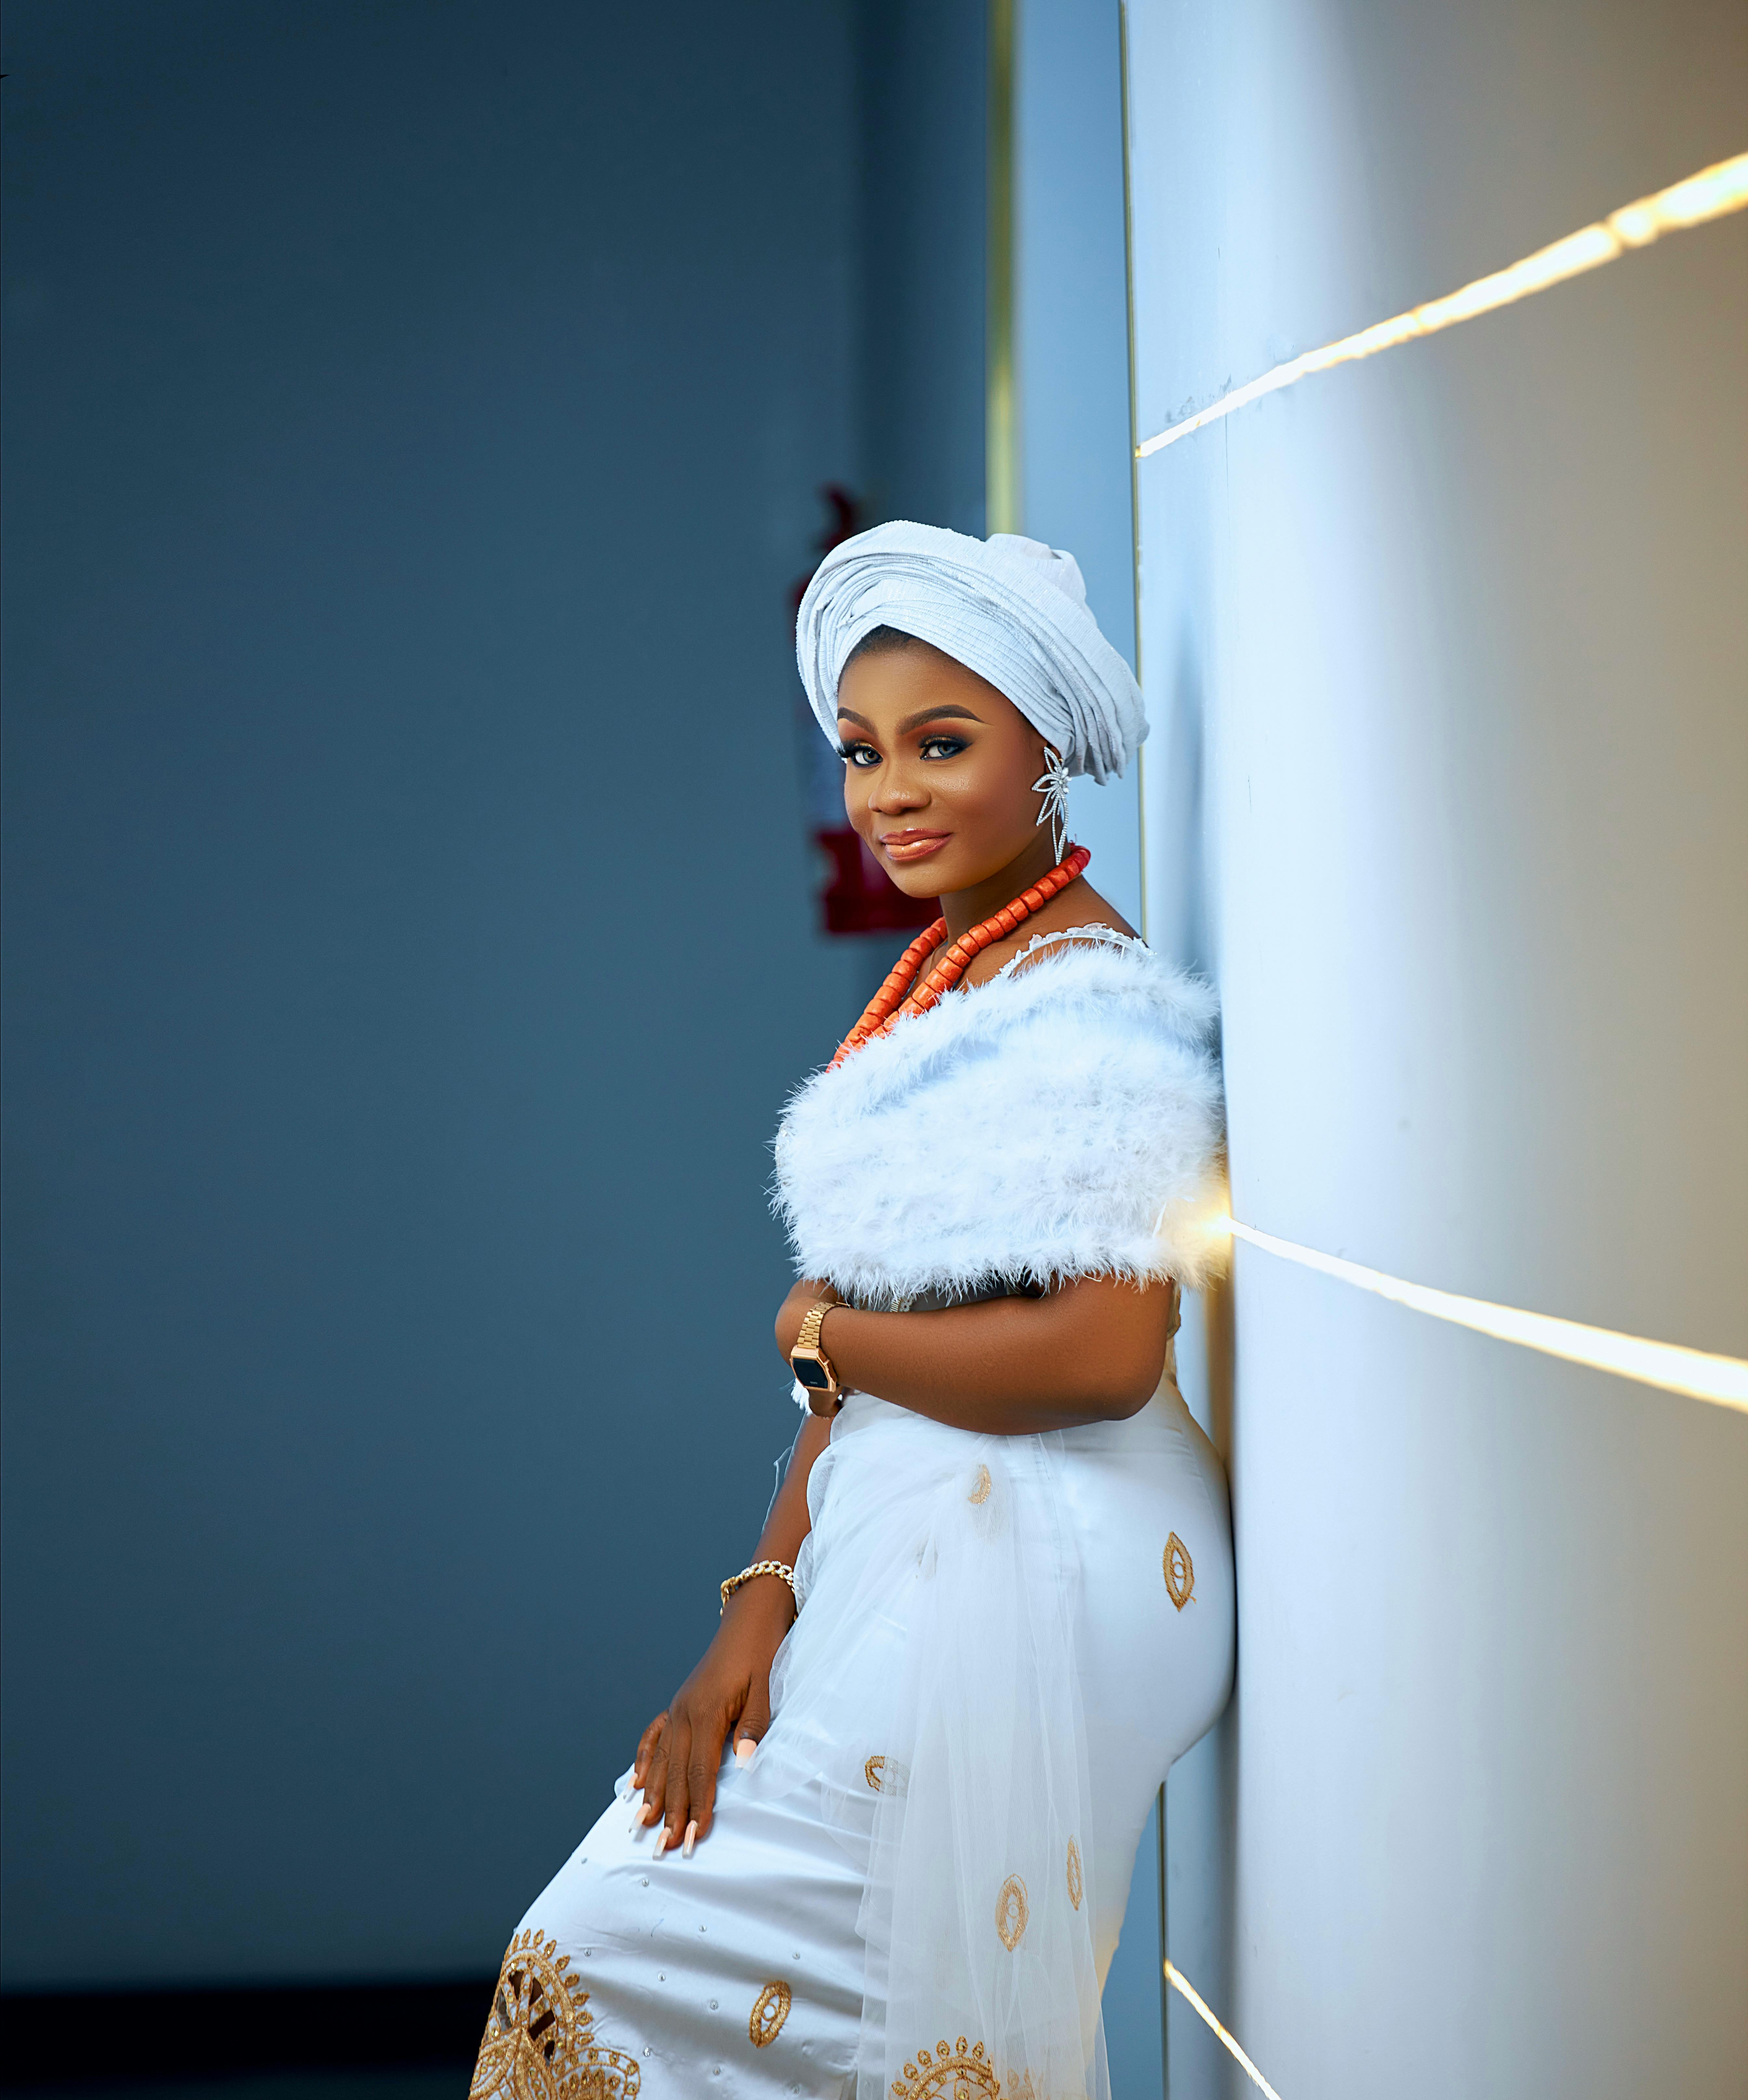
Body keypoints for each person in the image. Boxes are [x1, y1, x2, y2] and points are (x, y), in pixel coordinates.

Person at [471, 524, 1234, 2100]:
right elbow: (862, 1359)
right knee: (628, 1969)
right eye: (864, 751)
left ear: (1046, 753)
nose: (888, 792)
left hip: (1056, 1545)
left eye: (942, 745)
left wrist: (822, 1332)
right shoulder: (955, 970)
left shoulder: (1091, 1003)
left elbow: (1104, 1351)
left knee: (612, 1950)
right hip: (912, 1526)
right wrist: (760, 1595)